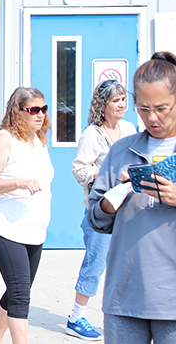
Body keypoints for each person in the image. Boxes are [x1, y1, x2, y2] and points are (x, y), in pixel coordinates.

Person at [88, 52, 176, 344]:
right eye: (143, 108)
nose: (152, 118)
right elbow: (96, 219)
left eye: (162, 108)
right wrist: (111, 200)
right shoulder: (121, 151)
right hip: (125, 296)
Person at [0, 87, 54, 344]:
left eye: (43, 109)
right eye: (33, 110)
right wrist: (18, 183)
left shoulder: (38, 141)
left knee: (18, 288)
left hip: (34, 229)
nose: (40, 114)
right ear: (17, 112)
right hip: (5, 226)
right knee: (21, 293)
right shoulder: (3, 139)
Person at [67, 79, 136, 340]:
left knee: (126, 263)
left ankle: (124, 313)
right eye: (115, 100)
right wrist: (105, 172)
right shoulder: (91, 135)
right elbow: (79, 169)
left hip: (128, 209)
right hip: (102, 211)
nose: (121, 104)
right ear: (103, 105)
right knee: (95, 264)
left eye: (123, 99)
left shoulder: (129, 128)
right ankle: (76, 317)